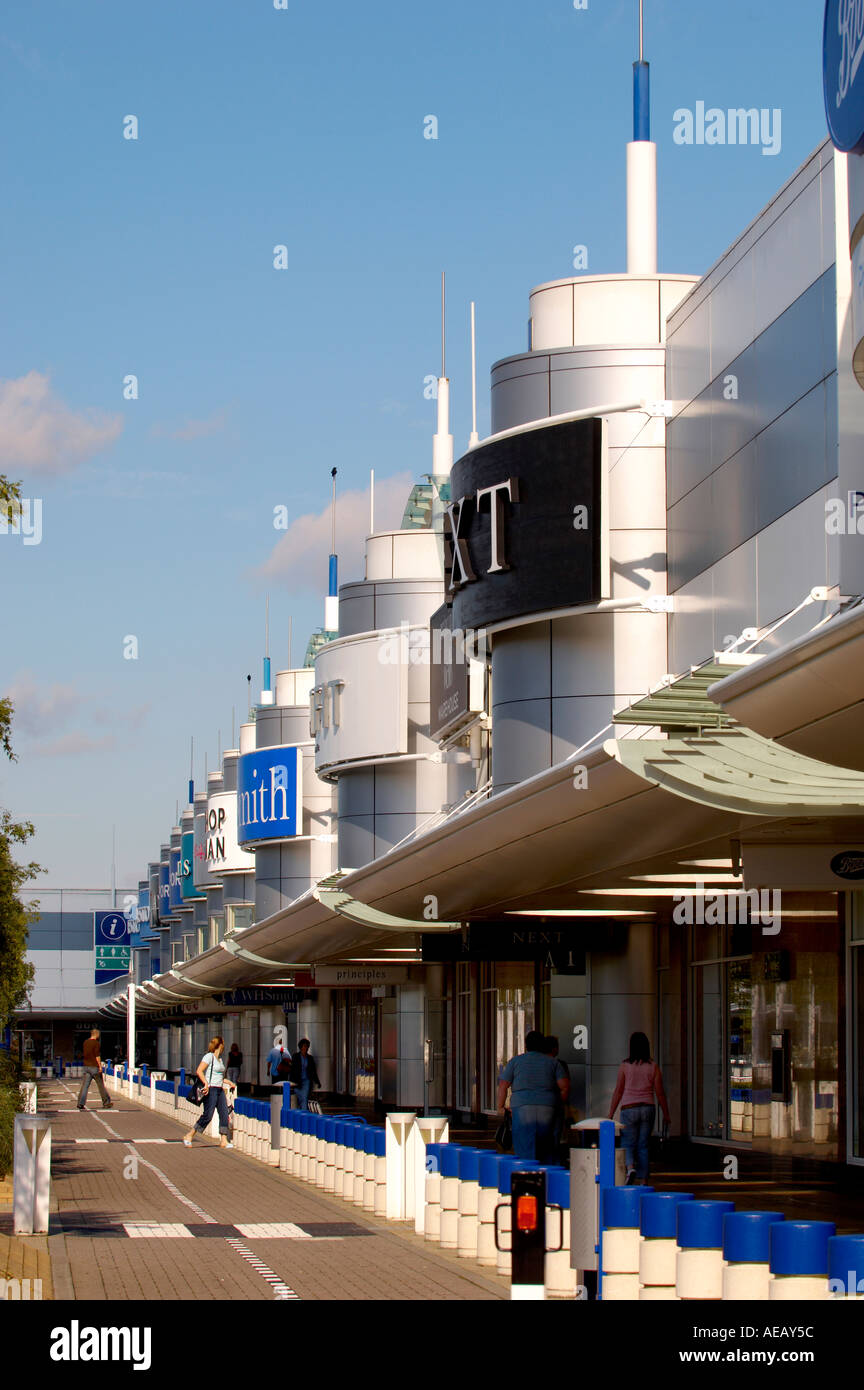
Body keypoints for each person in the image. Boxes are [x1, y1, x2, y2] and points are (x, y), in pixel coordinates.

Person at [608, 1031, 671, 1185]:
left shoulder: (625, 1066)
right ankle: (643, 1179)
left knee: (627, 1142)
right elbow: (660, 1092)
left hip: (629, 1108)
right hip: (648, 1108)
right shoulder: (653, 1066)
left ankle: (630, 1168)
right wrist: (666, 1113)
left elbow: (619, 1090)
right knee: (643, 1144)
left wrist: (610, 1113)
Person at [497, 1030, 569, 1160]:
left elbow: (503, 1085)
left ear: (526, 1045)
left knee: (524, 1145)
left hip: (521, 1108)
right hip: (547, 1108)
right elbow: (564, 1087)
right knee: (547, 1146)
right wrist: (556, 1104)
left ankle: (527, 1175)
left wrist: (501, 1107)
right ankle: (546, 1173)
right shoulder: (553, 1063)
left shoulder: (515, 1061)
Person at [183, 1036, 237, 1149]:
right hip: (211, 1089)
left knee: (224, 1114)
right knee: (208, 1115)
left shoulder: (220, 1060)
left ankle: (223, 1140)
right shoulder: (209, 1057)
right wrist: (206, 1084)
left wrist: (229, 1082)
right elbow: (199, 1070)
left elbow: (219, 1077)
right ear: (220, 1045)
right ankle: (189, 1135)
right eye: (223, 1044)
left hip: (219, 1089)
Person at [76, 1028, 114, 1111]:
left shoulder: (85, 1042)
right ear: (96, 1034)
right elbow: (97, 1056)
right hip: (94, 1067)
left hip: (86, 1066)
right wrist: (100, 1066)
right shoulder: (96, 1043)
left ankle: (80, 1103)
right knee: (100, 1085)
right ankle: (106, 1103)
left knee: (85, 1086)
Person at [544, 1035, 570, 1148]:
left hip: (541, 1104)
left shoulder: (539, 1063)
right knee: (555, 1136)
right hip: (556, 1104)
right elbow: (566, 1086)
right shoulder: (560, 1064)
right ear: (554, 1048)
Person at [289, 1038, 320, 1110]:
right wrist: (290, 1081)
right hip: (297, 1081)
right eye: (304, 1046)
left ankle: (304, 1112)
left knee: (305, 1097)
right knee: (299, 1098)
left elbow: (313, 1071)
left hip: (306, 1081)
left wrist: (317, 1081)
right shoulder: (295, 1056)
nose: (305, 1048)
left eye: (307, 1046)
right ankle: (301, 1111)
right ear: (301, 1047)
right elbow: (292, 1070)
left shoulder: (310, 1058)